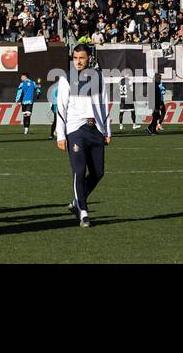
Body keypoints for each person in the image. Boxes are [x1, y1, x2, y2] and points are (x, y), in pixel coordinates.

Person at [54, 44, 110, 227]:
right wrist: (60, 135)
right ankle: (83, 212)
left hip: (96, 130)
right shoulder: (66, 79)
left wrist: (107, 130)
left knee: (98, 172)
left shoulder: (100, 77)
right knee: (79, 170)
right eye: (75, 58)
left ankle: (77, 201)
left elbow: (104, 104)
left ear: (89, 59)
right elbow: (61, 109)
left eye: (81, 58)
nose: (78, 61)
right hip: (75, 130)